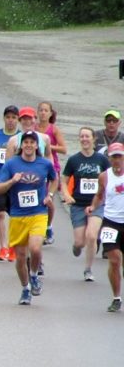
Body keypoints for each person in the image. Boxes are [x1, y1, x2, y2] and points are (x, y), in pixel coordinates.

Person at [0, 130, 57, 305]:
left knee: (35, 249)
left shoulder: (44, 164)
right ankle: (25, 288)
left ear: (37, 146)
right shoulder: (11, 165)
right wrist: (12, 181)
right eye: (26, 142)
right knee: (21, 257)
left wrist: (49, 195)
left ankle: (34, 275)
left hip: (38, 213)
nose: (29, 145)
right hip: (17, 215)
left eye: (32, 142)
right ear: (21, 145)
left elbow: (55, 178)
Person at [61, 127, 109, 281]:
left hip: (97, 204)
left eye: (87, 136)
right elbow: (64, 181)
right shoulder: (74, 160)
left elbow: (110, 179)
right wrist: (67, 195)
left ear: (93, 139)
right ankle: (77, 246)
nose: (84, 139)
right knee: (80, 241)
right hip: (78, 204)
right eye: (82, 136)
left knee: (92, 235)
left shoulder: (101, 160)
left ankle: (88, 269)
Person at [86, 142, 124, 313]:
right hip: (110, 221)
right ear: (109, 158)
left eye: (119, 156)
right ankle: (116, 297)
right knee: (114, 259)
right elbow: (99, 195)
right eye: (114, 157)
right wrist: (93, 207)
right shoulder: (104, 176)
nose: (117, 160)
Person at [0, 105, 20, 261]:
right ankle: (3, 247)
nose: (10, 120)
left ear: (18, 120)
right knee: (0, 213)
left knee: (14, 214)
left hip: (16, 181)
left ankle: (13, 246)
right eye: (8, 117)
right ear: (4, 118)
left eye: (14, 118)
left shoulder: (21, 137)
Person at [36, 101, 67, 245]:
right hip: (35, 165)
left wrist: (47, 145)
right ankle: (39, 228)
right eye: (40, 110)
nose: (43, 113)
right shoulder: (33, 128)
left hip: (51, 166)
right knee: (38, 197)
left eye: (45, 110)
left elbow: (63, 149)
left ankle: (48, 226)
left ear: (50, 113)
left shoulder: (53, 129)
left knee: (49, 198)